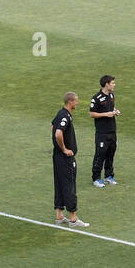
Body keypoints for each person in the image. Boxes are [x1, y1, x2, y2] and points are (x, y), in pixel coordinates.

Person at [53, 92, 88, 227]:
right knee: (69, 185)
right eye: (76, 101)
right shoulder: (65, 116)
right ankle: (73, 218)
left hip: (57, 156)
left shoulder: (60, 113)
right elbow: (58, 133)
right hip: (65, 157)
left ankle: (59, 215)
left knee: (59, 183)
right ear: (70, 102)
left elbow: (52, 126)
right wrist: (64, 149)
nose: (77, 103)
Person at [89, 74, 121, 188]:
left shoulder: (111, 95)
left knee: (110, 155)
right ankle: (96, 178)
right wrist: (106, 114)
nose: (114, 85)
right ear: (106, 84)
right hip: (102, 133)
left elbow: (111, 108)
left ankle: (108, 177)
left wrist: (115, 111)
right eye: (112, 83)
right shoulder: (96, 98)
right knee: (100, 155)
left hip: (112, 131)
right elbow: (91, 114)